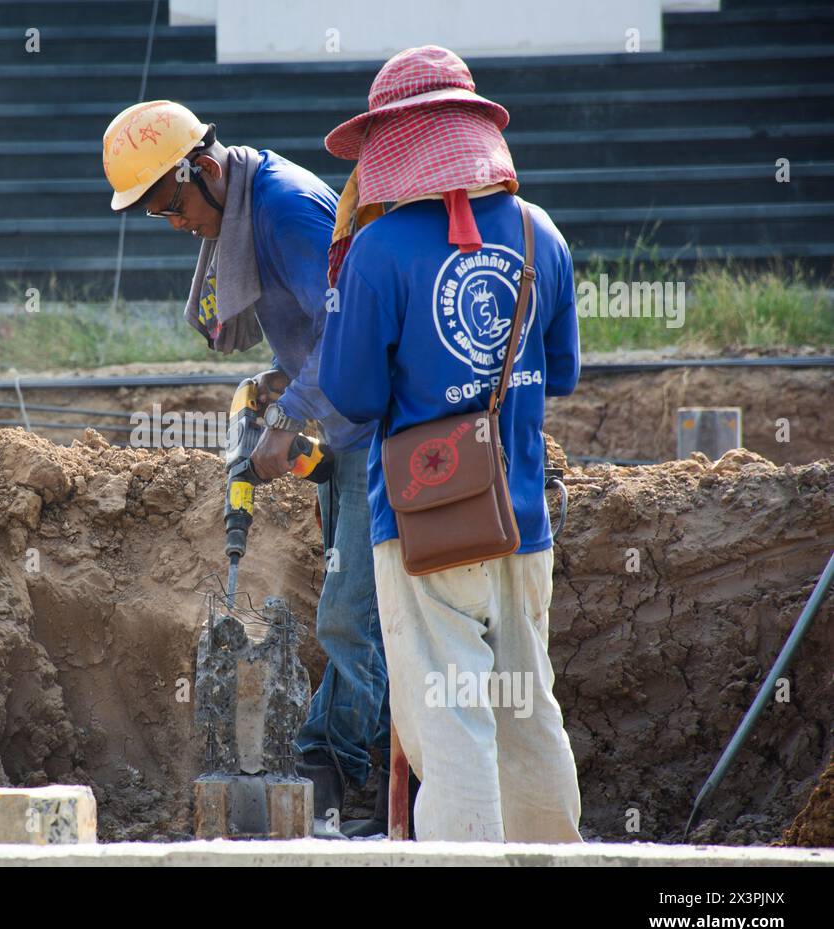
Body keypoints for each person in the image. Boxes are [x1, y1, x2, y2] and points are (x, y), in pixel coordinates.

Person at [101, 100, 391, 835]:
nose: (172, 223)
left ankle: (324, 786)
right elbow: (299, 327)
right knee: (358, 604)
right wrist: (277, 380)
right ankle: (369, 775)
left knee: (352, 618)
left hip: (374, 428)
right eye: (154, 214)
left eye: (169, 202)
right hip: (342, 423)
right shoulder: (242, 205)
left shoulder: (285, 209)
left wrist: (290, 416)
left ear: (200, 169)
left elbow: (348, 333)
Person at [319, 47, 584, 842]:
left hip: (425, 521)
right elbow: (561, 374)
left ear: (391, 146)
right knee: (525, 704)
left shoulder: (379, 252)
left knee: (450, 716)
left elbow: (355, 396)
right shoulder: (542, 234)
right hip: (522, 521)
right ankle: (551, 858)